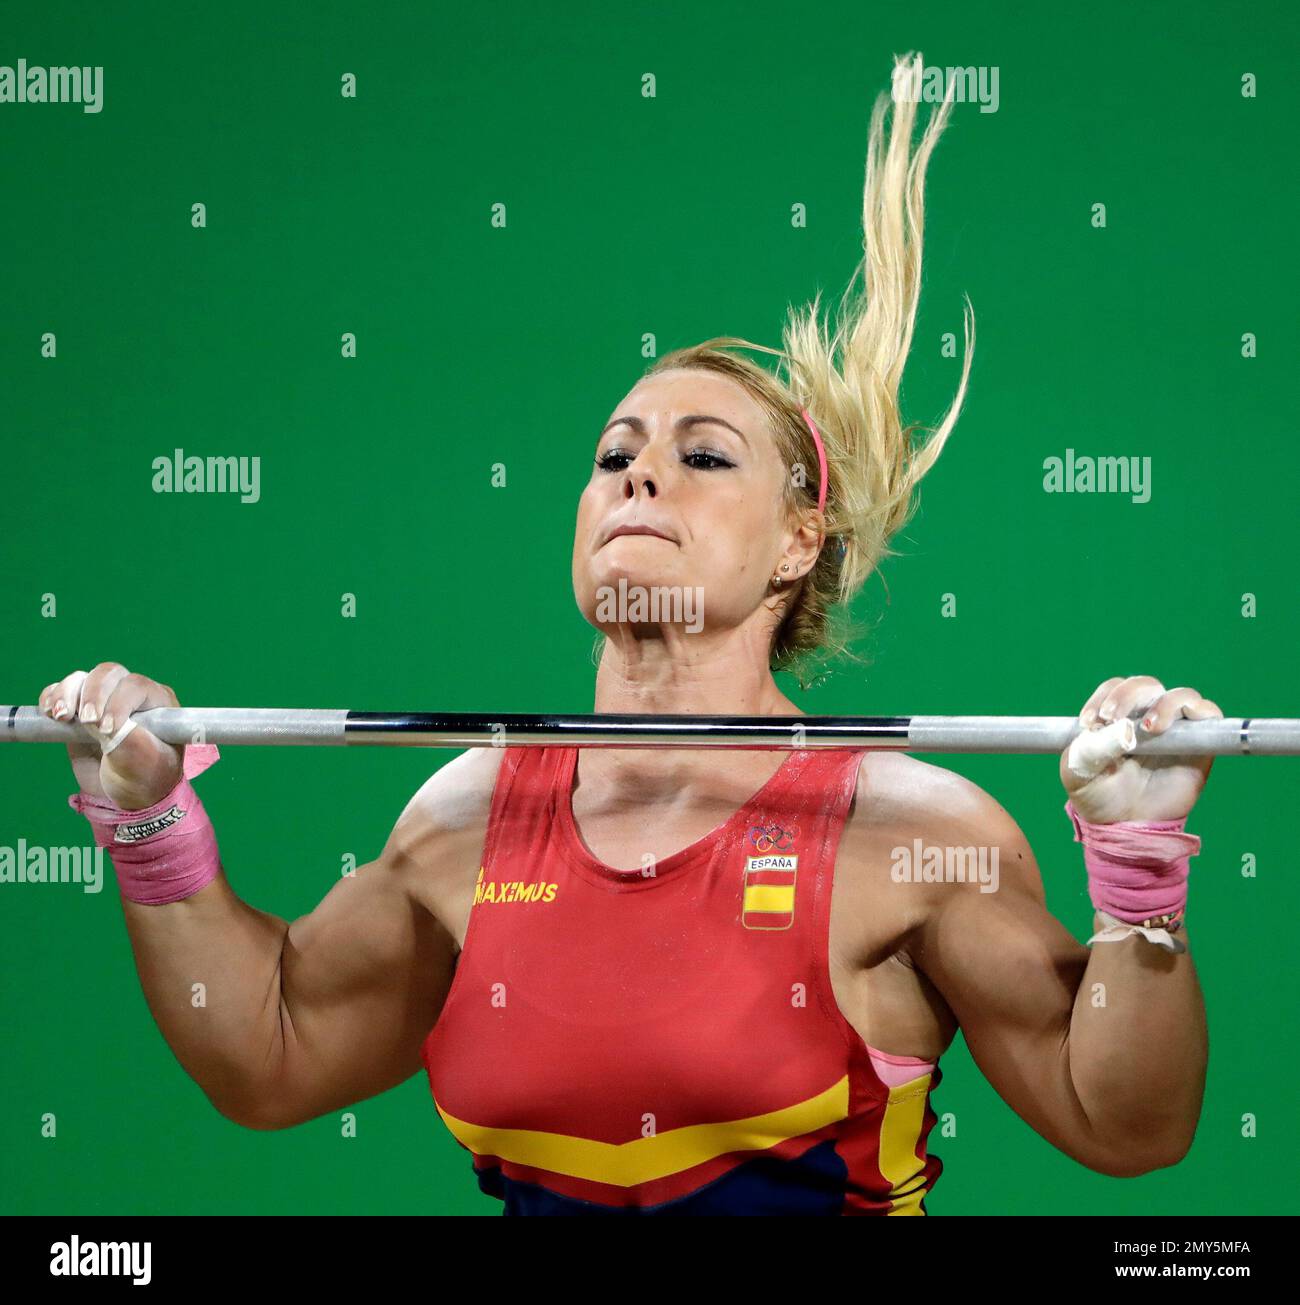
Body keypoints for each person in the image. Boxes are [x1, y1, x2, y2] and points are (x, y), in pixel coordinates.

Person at [38, 51, 1219, 1215]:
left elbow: (1127, 1126)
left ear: (798, 542)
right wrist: (145, 820)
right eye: (614, 456)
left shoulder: (911, 832)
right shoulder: (462, 821)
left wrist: (1137, 881)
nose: (639, 477)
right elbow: (271, 1055)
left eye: (701, 457)